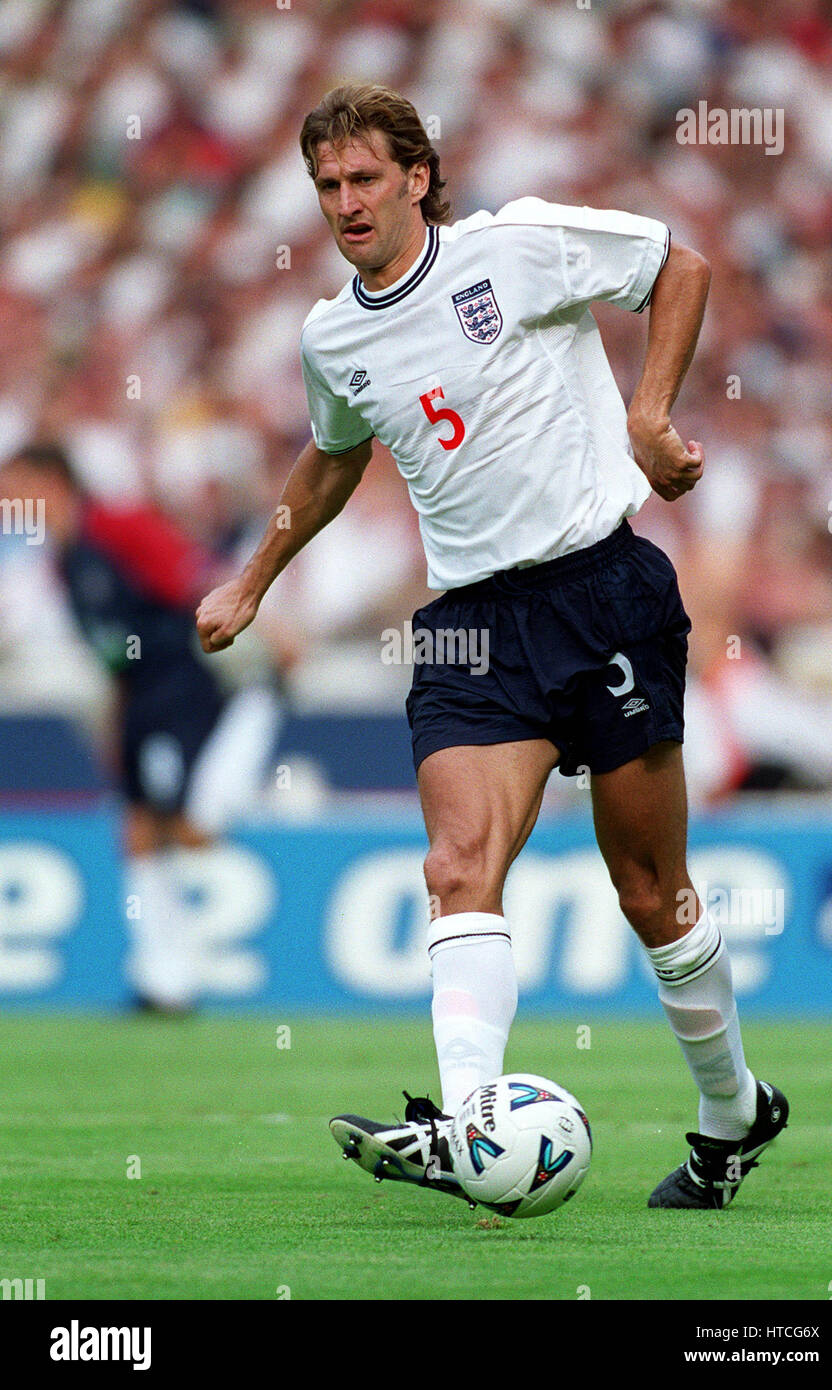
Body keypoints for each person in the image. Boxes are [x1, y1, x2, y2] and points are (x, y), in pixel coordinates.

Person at [195, 84, 788, 1210]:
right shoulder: (331, 334)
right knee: (455, 868)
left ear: (416, 176)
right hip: (469, 622)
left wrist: (648, 414)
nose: (344, 202)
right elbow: (331, 459)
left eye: (364, 178)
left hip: (600, 589)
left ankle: (731, 1109)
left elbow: (679, 266)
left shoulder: (510, 249)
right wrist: (253, 576)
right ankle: (471, 1125)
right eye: (326, 185)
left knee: (648, 890)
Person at [2, 442, 279, 1013]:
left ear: (50, 483)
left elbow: (193, 573)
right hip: (139, 701)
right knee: (135, 829)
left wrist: (269, 633)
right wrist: (114, 724)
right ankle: (164, 977)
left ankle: (245, 753)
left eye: (13, 486)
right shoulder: (64, 559)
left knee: (182, 827)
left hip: (183, 688)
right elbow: (110, 655)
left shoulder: (116, 526)